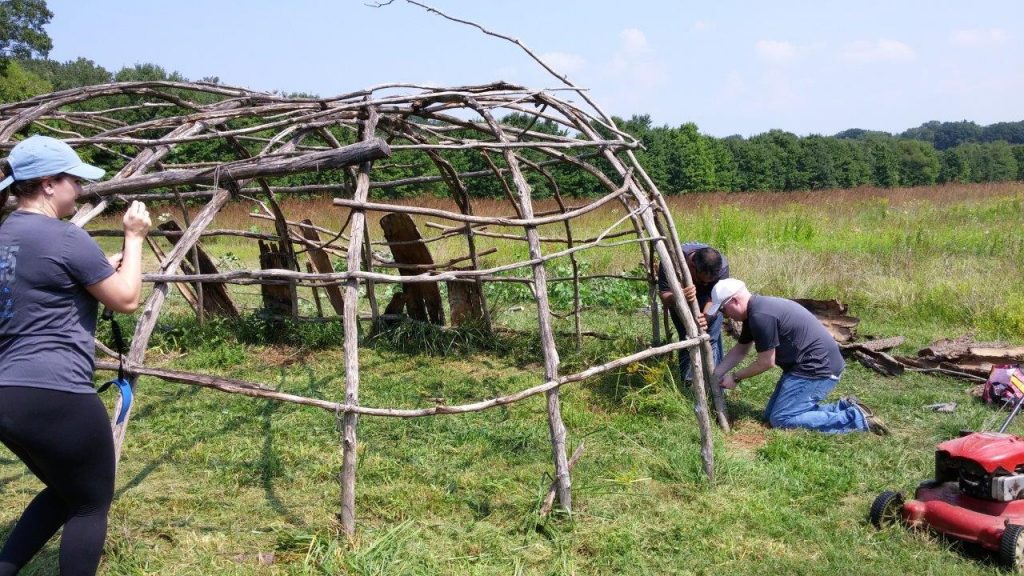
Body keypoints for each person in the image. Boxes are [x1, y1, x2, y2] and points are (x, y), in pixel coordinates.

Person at [0, 135, 151, 575]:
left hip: (8, 394)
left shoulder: (6, 235)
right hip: (56, 392)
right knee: (90, 503)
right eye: (74, 181)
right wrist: (135, 237)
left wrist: (99, 263)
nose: (79, 190)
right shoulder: (66, 237)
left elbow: (41, 281)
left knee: (66, 490)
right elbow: (125, 298)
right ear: (48, 184)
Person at [708, 278, 888, 434]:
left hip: (817, 370)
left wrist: (735, 377)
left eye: (723, 310)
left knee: (781, 419)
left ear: (734, 301)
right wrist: (716, 374)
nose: (725, 315)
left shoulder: (760, 316)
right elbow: (741, 349)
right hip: (803, 368)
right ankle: (843, 408)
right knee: (770, 415)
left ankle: (855, 418)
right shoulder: (756, 310)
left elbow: (766, 362)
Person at [657, 244, 728, 381]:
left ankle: (713, 382)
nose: (705, 284)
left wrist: (707, 316)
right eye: (702, 280)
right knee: (687, 338)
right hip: (680, 302)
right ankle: (689, 383)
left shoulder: (722, 267)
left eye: (710, 282)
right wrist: (680, 295)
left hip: (711, 302)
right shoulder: (671, 261)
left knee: (710, 339)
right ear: (691, 266)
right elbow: (665, 296)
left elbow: (717, 298)